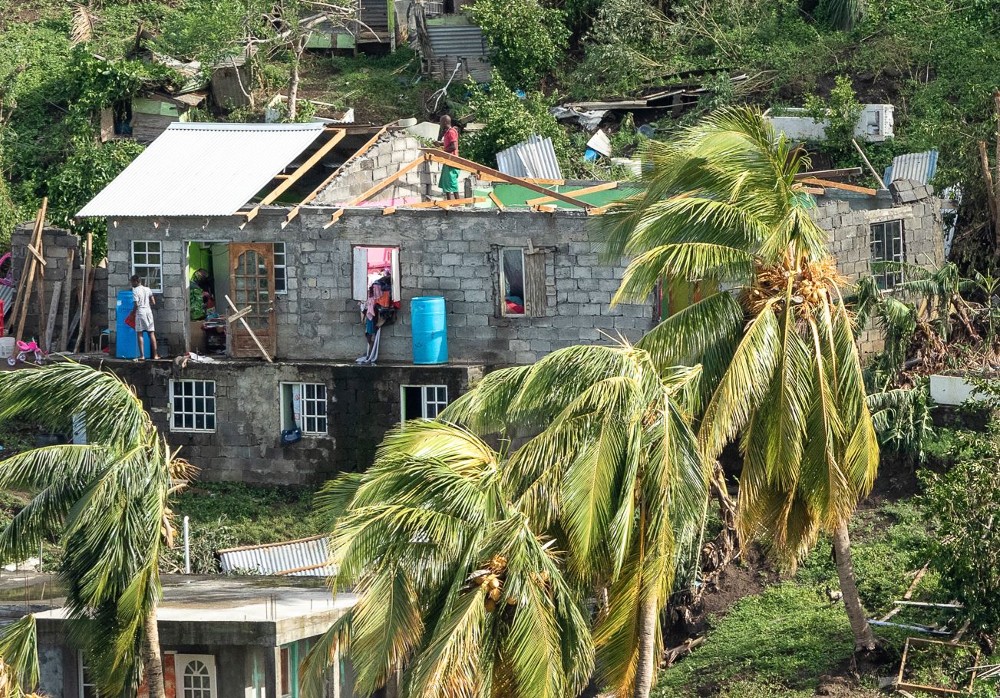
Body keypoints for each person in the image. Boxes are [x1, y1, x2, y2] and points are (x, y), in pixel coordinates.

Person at [131, 274, 160, 361]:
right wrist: (147, 304)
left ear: (136, 281)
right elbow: (153, 302)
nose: (131, 284)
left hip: (140, 312)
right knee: (151, 333)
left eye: (132, 282)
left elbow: (136, 304)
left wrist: (132, 313)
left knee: (140, 333)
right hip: (148, 311)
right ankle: (155, 355)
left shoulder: (135, 290)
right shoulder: (147, 289)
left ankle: (142, 355)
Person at [435, 114, 460, 201]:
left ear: (445, 122)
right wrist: (440, 144)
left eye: (441, 122)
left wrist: (442, 152)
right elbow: (448, 144)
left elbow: (453, 147)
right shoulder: (447, 133)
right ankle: (449, 201)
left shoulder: (451, 132)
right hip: (448, 159)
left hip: (452, 160)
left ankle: (458, 201)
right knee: (446, 181)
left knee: (451, 181)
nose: (440, 124)